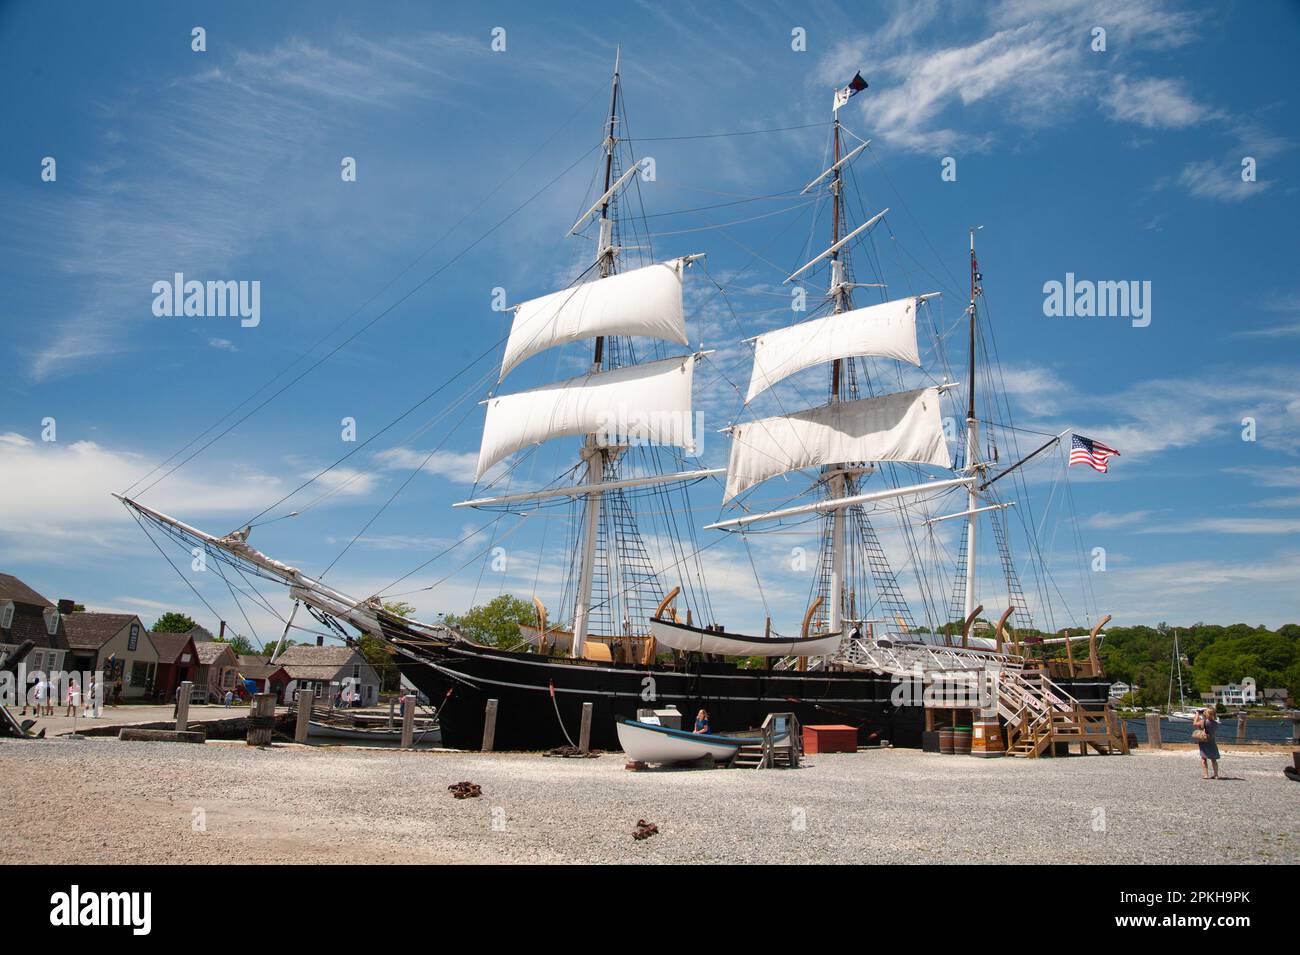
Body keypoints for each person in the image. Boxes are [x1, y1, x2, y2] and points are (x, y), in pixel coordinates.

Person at [1193, 706, 1221, 779]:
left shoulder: (1204, 722)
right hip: (1212, 742)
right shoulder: (1216, 723)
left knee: (1204, 759)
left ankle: (1206, 774)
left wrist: (1197, 715)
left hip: (1204, 742)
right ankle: (1216, 774)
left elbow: (1195, 724)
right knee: (1213, 759)